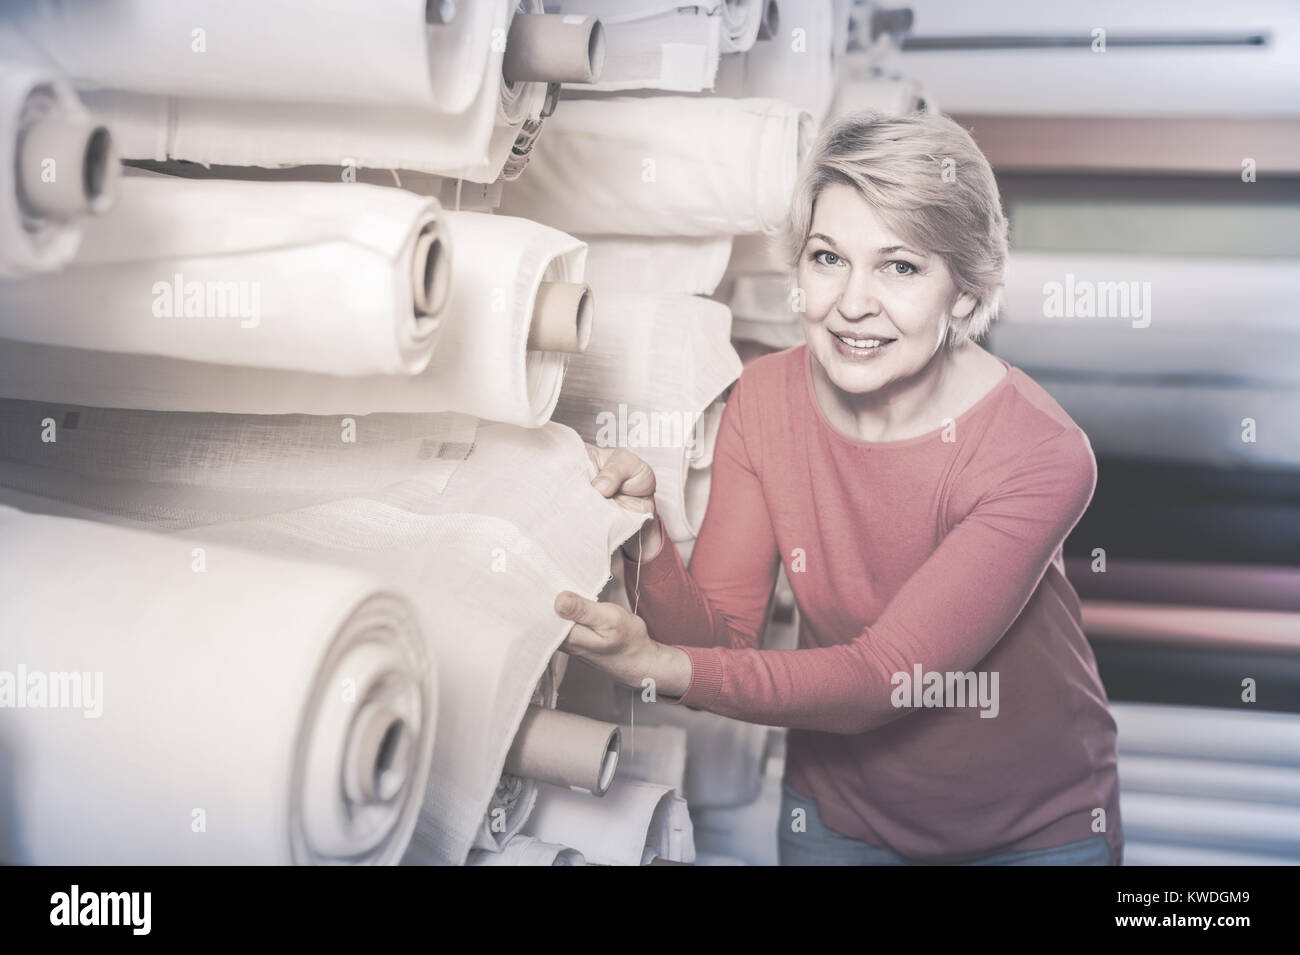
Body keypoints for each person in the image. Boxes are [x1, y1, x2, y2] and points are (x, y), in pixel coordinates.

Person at [555, 110, 1122, 866]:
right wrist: (653, 541)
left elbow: (885, 678)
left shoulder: (1040, 453)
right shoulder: (763, 398)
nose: (852, 303)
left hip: (1031, 832)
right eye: (828, 257)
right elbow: (718, 640)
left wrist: (657, 666)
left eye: (901, 267)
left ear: (963, 292)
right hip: (837, 817)